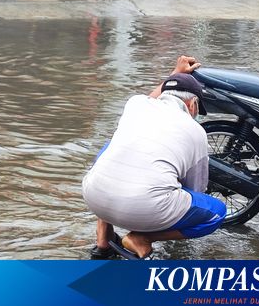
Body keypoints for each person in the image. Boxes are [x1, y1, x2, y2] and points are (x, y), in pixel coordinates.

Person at [82, 56, 226, 259]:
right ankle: (143, 239)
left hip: (93, 196)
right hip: (144, 207)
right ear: (192, 104)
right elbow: (195, 189)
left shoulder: (136, 104)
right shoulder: (195, 131)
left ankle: (102, 241)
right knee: (217, 212)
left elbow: (157, 94)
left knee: (113, 148)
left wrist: (176, 74)